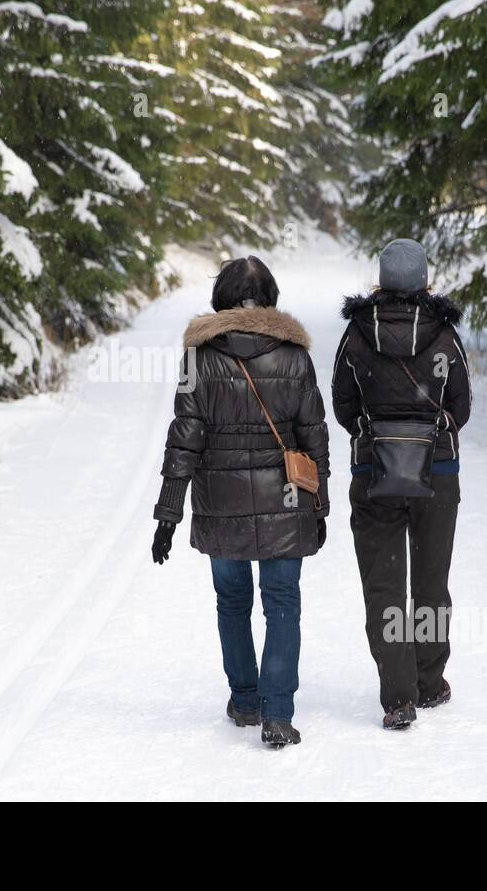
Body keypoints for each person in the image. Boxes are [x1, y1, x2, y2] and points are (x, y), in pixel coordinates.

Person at [150, 256, 329, 748]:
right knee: (283, 604)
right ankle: (278, 713)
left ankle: (246, 699)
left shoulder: (198, 358)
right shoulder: (294, 357)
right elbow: (315, 437)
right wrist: (321, 504)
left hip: (219, 503)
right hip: (286, 502)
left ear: (221, 299)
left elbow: (184, 438)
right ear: (270, 297)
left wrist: (169, 512)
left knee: (232, 601)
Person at [331, 239, 471, 730]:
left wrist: (377, 437)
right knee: (431, 583)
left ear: (379, 283)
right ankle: (429, 684)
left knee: (384, 587)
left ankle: (398, 698)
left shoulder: (355, 336)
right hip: (438, 474)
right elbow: (462, 409)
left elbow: (344, 408)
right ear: (426, 284)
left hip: (374, 476)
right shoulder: (447, 336)